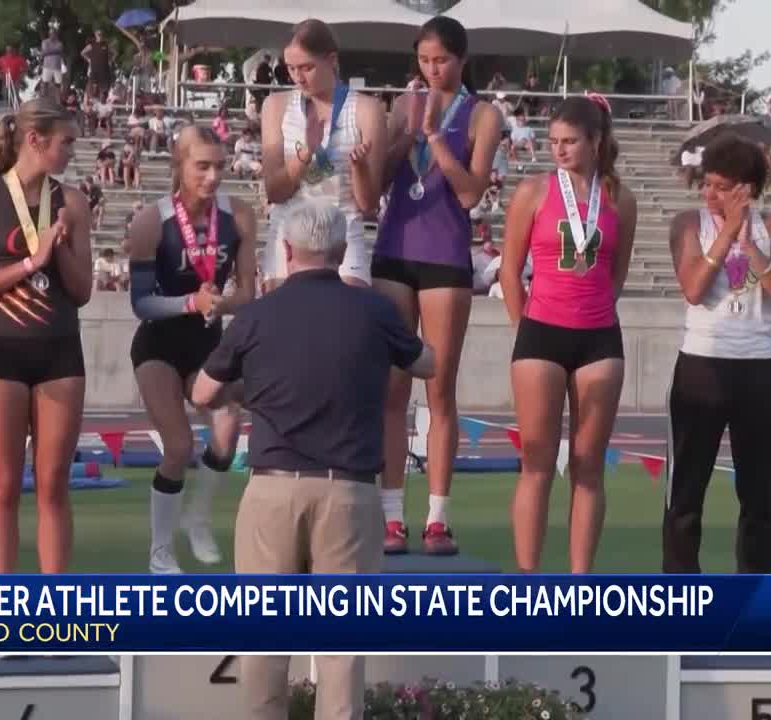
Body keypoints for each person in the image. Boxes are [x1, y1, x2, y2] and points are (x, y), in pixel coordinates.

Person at [189, 200, 435, 720]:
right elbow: (428, 364)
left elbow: (204, 392)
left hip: (274, 487)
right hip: (348, 490)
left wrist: (248, 388)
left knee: (265, 644)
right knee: (341, 651)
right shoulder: (374, 311)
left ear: (285, 249)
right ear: (343, 252)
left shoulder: (256, 314)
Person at [373, 16, 502, 556]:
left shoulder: (483, 114)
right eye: (424, 60)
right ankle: (391, 517)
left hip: (446, 257)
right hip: (393, 253)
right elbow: (375, 184)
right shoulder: (402, 105)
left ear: (461, 60)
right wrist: (407, 135)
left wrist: (434, 137)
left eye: (442, 60)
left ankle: (437, 519)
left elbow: (471, 193)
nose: (432, 70)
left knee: (439, 388)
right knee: (392, 392)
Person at [0, 97, 92, 577]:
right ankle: (3, 608)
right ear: (36, 140)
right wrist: (29, 263)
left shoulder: (71, 201)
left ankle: (53, 607)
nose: (73, 150)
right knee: (4, 485)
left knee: (53, 483)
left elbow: (82, 290)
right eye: (66, 142)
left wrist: (62, 247)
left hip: (59, 352)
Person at [498, 95, 637, 573]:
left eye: (570, 141)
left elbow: (617, 274)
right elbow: (509, 272)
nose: (559, 149)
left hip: (599, 337)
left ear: (596, 142)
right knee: (536, 463)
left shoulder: (620, 198)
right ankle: (527, 579)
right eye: (554, 141)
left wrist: (593, 309)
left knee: (588, 465)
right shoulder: (533, 192)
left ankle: (580, 581)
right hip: (541, 335)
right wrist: (526, 327)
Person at [662, 135, 771, 574]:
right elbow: (694, 289)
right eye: (707, 183)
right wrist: (724, 234)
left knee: (758, 497)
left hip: (759, 367)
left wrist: (749, 242)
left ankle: (751, 591)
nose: (709, 193)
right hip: (702, 364)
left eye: (721, 186)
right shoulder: (688, 223)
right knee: (686, 492)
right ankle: (680, 592)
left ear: (746, 188)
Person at [126, 126, 257, 574]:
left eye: (220, 165)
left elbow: (248, 293)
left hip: (207, 341)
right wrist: (190, 301)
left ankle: (198, 518)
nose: (213, 175)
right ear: (179, 167)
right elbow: (140, 302)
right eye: (202, 166)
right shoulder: (151, 221)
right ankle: (160, 552)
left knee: (227, 431)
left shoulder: (238, 215)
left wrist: (223, 302)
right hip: (159, 343)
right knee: (178, 445)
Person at [259, 19, 386, 291]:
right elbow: (275, 192)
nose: (298, 78)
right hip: (290, 225)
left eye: (307, 67)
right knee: (279, 317)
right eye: (291, 68)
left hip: (342, 226)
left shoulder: (366, 108)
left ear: (331, 60)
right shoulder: (276, 105)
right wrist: (305, 153)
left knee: (345, 314)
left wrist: (359, 167)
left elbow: (368, 204)